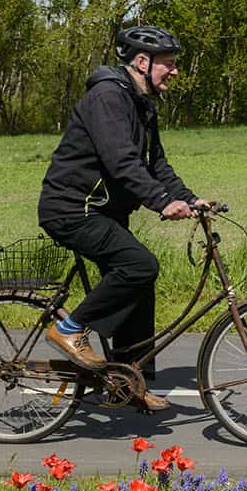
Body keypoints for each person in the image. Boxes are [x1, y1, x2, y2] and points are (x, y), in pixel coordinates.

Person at [37, 25, 206, 413]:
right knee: (139, 265)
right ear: (142, 62)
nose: (175, 71)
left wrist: (189, 199)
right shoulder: (108, 98)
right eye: (170, 64)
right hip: (72, 208)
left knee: (140, 281)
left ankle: (128, 379)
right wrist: (161, 202)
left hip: (103, 211)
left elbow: (156, 165)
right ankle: (69, 329)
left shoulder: (142, 103)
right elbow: (121, 161)